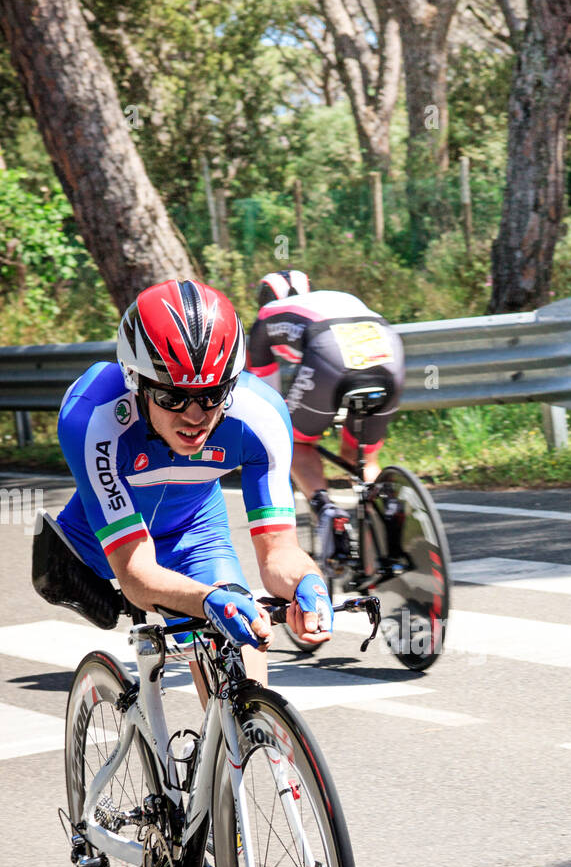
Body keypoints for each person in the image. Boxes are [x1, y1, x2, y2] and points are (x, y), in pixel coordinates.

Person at [49, 278, 333, 695]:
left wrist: (307, 581)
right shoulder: (93, 417)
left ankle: (232, 755)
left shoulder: (262, 418)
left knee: (243, 685)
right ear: (137, 381)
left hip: (194, 532)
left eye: (213, 394)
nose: (196, 416)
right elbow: (137, 574)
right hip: (97, 543)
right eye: (173, 397)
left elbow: (278, 553)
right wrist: (206, 601)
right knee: (204, 607)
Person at [246, 270, 406, 561]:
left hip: (328, 348)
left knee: (294, 442)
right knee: (361, 457)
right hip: (388, 347)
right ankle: (385, 508)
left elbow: (266, 400)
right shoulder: (337, 299)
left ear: (265, 299)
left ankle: (327, 510)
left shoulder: (267, 317)